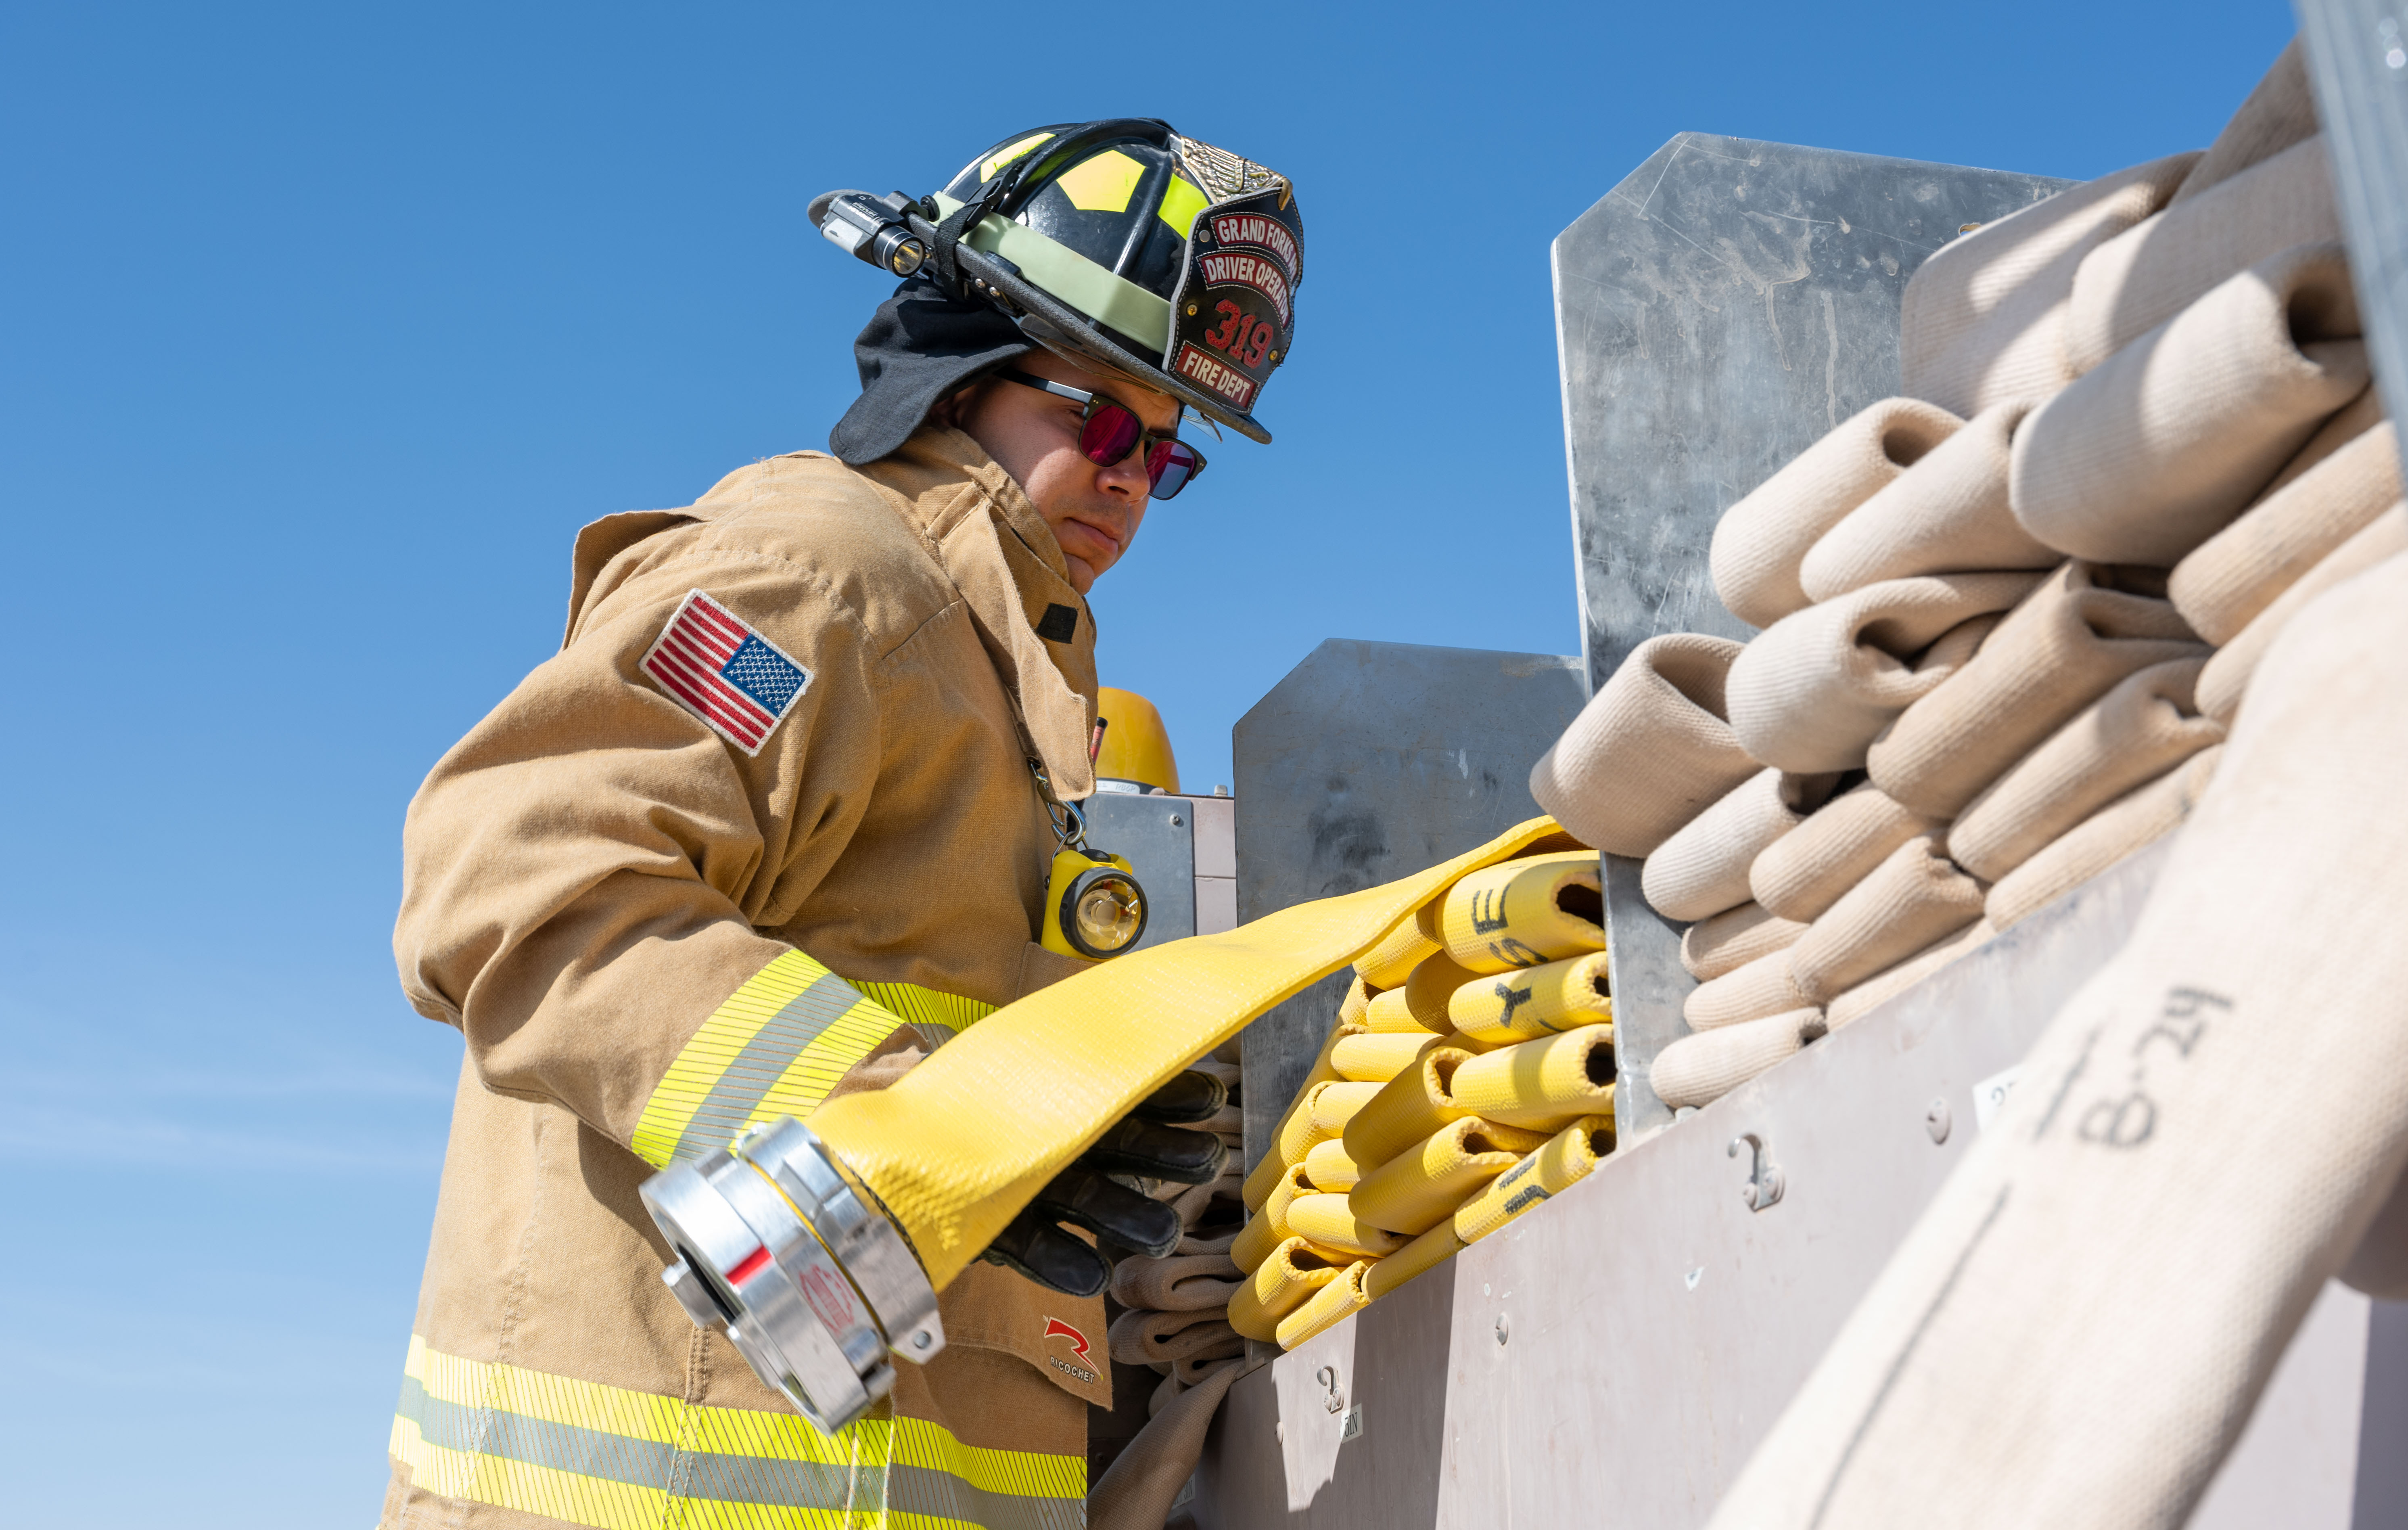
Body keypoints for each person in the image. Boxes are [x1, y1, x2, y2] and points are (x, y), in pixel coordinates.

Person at [379, 119, 1303, 1530]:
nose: (1128, 478)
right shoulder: (822, 574)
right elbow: (520, 873)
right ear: (963, 371)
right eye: (1100, 421)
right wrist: (919, 1127)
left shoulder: (998, 677)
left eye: (1165, 458)